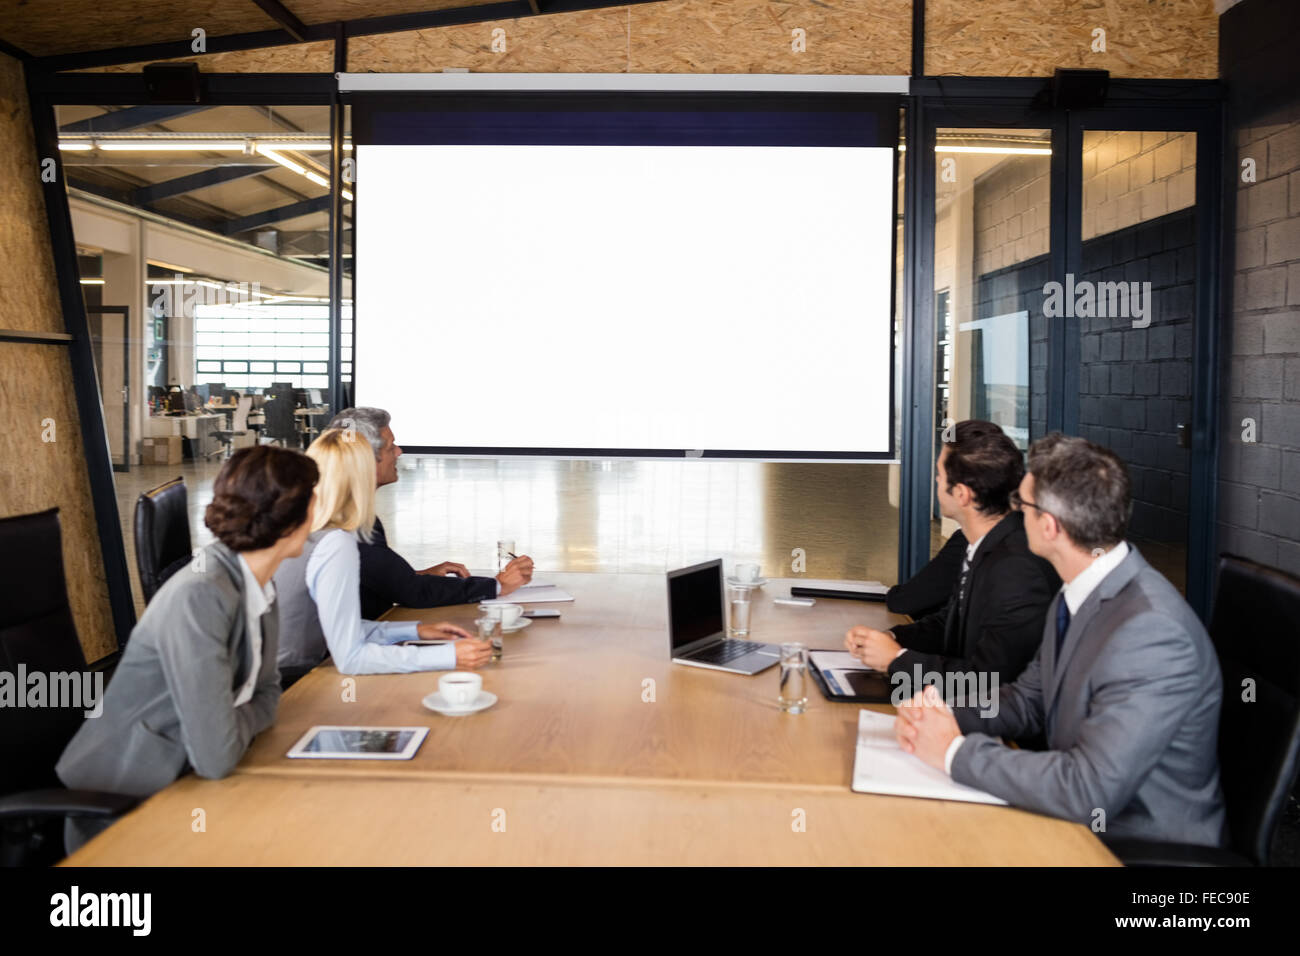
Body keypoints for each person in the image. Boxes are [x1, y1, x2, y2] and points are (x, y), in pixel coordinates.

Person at [894, 433, 1227, 847]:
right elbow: (1027, 701)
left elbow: (1089, 791)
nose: (1014, 513)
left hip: (1133, 842)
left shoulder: (1153, 633)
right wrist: (940, 713)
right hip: (1076, 817)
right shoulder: (1081, 592)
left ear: (1049, 526)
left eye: (1022, 505)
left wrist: (952, 753)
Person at [56, 446, 319, 847]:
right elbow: (216, 757)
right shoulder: (201, 595)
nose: (317, 516)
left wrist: (230, 726)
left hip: (193, 779)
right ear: (287, 522)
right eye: (312, 503)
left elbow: (268, 694)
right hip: (129, 805)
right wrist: (229, 729)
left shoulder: (259, 582)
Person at [845, 420, 1059, 687]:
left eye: (939, 475)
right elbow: (949, 624)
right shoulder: (984, 545)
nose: (935, 481)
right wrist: (891, 639)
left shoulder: (1017, 568)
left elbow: (989, 683)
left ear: (961, 495)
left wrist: (897, 660)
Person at [273, 428, 493, 680]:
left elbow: (340, 626)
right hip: (293, 684)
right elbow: (351, 658)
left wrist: (415, 631)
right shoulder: (336, 543)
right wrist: (449, 655)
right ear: (364, 477)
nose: (397, 454)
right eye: (389, 450)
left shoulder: (301, 528)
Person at [326, 407, 535, 619]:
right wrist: (497, 585)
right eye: (391, 447)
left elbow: (369, 578)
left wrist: (416, 576)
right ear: (365, 459)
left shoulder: (341, 508)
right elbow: (413, 593)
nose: (399, 452)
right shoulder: (349, 520)